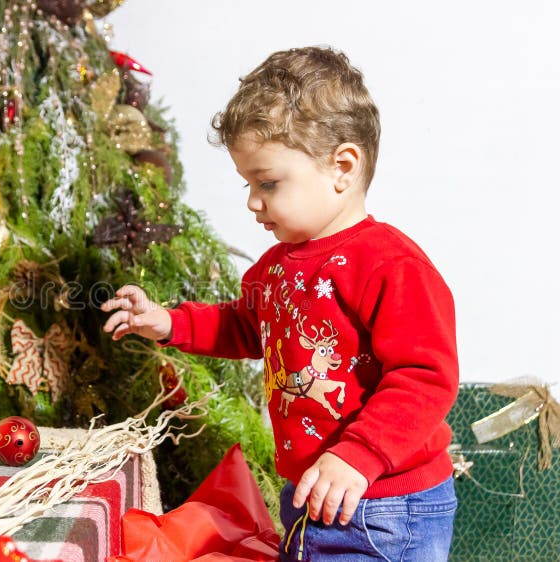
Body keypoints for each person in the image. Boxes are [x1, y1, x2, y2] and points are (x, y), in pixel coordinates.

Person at [101, 46, 459, 561]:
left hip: (384, 508)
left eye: (267, 183)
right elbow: (244, 326)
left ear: (342, 166)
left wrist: (358, 457)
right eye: (248, 184)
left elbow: (426, 377)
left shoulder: (389, 265)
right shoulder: (276, 266)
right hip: (310, 496)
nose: (252, 201)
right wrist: (169, 322)